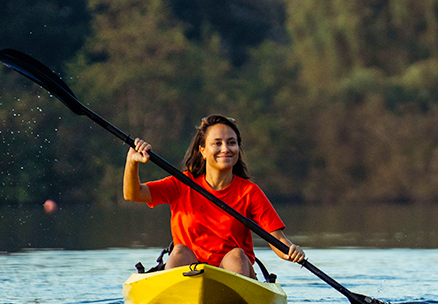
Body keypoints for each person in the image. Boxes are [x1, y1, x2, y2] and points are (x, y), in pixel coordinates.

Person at [124, 114, 306, 278]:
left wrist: (292, 251)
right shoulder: (181, 183)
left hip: (234, 272)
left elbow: (278, 241)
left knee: (236, 255)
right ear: (202, 150)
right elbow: (134, 194)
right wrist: (132, 162)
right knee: (178, 251)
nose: (226, 149)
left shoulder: (249, 192)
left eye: (231, 143)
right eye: (217, 143)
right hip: (190, 270)